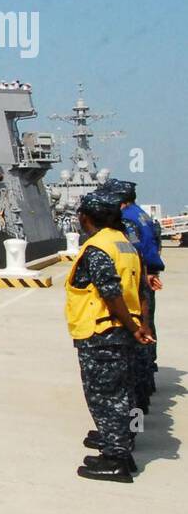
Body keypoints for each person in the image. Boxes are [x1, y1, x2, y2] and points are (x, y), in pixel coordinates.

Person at [66, 190, 154, 483]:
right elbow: (142, 289)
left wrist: (132, 326)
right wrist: (142, 324)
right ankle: (120, 449)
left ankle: (115, 460)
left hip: (102, 333)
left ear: (86, 217)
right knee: (122, 394)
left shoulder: (98, 248)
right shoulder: (126, 246)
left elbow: (111, 293)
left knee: (105, 397)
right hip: (121, 333)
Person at [101, 179, 165, 413]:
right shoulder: (141, 215)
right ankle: (144, 388)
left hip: (134, 282)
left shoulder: (127, 219)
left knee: (134, 342)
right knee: (146, 333)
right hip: (144, 277)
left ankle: (135, 406)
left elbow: (134, 249)